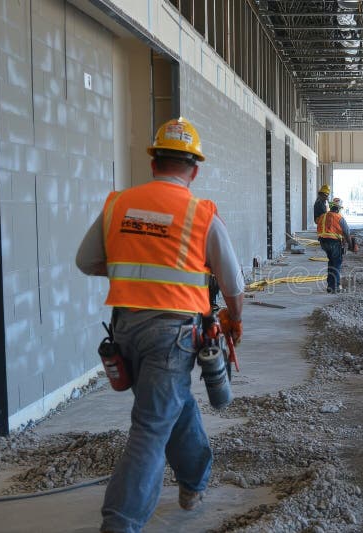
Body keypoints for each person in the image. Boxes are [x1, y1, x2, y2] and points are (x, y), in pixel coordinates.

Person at [75, 117, 245, 533]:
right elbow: (233, 282)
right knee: (151, 427)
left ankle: (193, 480)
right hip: (172, 336)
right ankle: (121, 523)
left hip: (126, 331)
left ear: (153, 162)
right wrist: (234, 319)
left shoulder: (118, 205)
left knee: (171, 403)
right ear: (194, 169)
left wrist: (134, 276)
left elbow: (86, 261)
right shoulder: (200, 214)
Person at [317, 197, 352, 293]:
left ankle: (330, 285)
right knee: (336, 263)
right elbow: (347, 233)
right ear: (338, 208)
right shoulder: (339, 218)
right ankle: (335, 286)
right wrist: (350, 245)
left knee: (331, 262)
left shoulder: (323, 216)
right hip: (334, 243)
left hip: (323, 243)